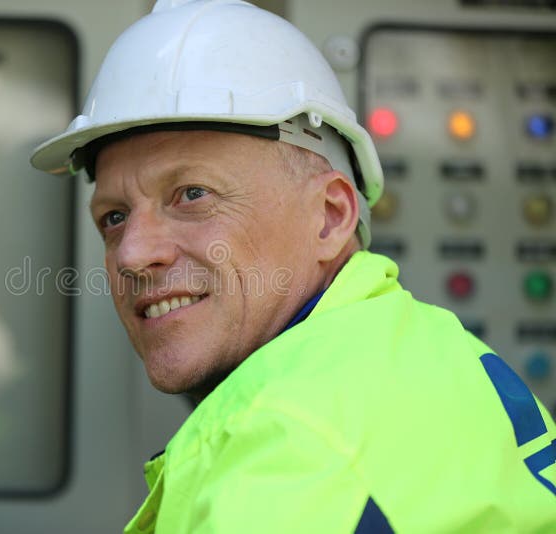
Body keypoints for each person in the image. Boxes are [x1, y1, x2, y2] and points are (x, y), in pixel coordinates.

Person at [31, 0, 556, 532]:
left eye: (193, 194)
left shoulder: (287, 452)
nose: (132, 254)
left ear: (330, 216)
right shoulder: (434, 351)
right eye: (114, 217)